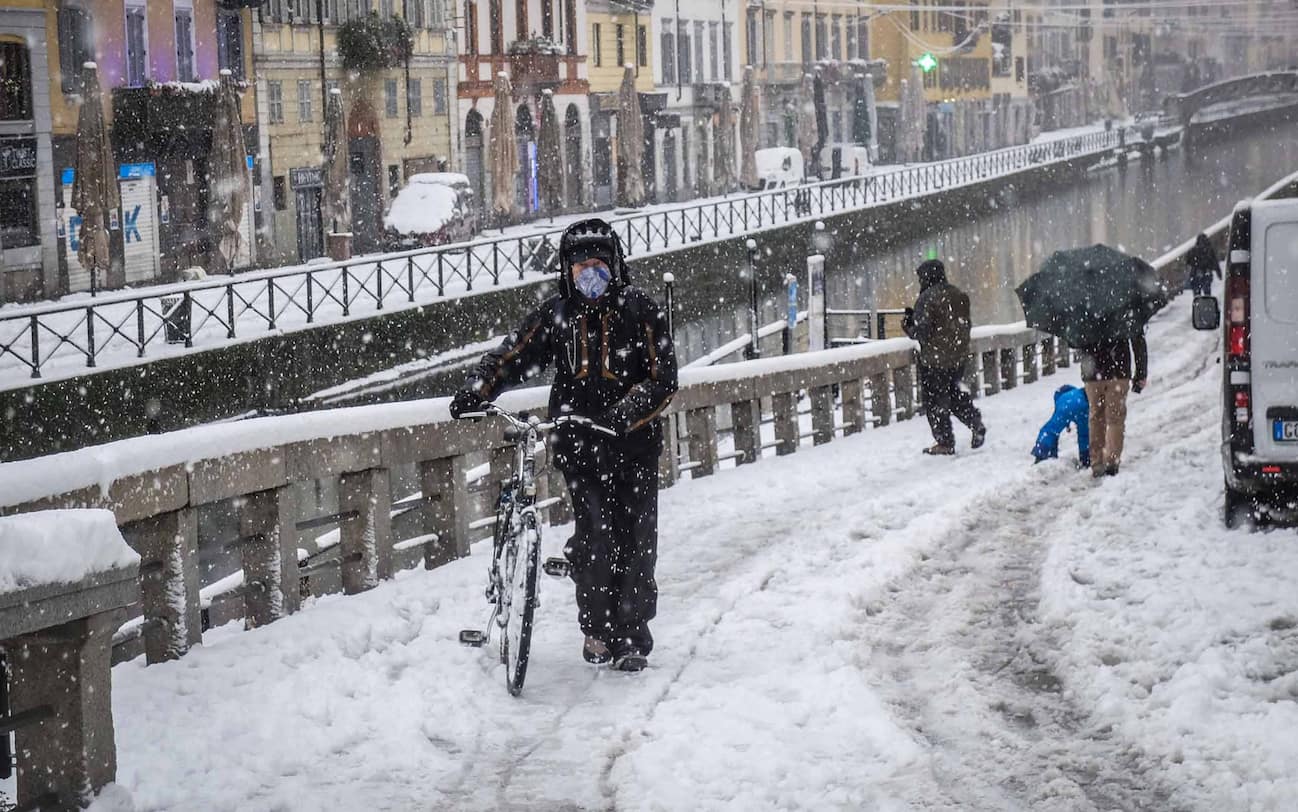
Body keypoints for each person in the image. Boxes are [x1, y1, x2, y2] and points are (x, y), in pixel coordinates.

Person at [449, 218, 678, 672]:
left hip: (633, 448)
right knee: (595, 535)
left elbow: (663, 379)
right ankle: (596, 629)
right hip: (580, 446)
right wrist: (480, 387)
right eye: (580, 267)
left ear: (615, 266)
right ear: (566, 272)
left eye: (598, 265)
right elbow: (513, 356)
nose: (589, 275)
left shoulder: (641, 312)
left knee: (636, 539)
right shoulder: (558, 316)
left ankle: (632, 634)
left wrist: (625, 414)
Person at [901, 259, 987, 455]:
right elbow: (960, 325)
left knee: (935, 402)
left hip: (935, 360)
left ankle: (944, 442)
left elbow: (921, 332)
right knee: (954, 395)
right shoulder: (958, 295)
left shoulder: (926, 298)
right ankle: (975, 422)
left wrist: (908, 325)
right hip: (958, 357)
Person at [1079, 329, 1148, 478]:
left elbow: (1076, 340)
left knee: (1096, 417)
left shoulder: (1084, 309)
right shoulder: (1123, 308)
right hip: (1119, 370)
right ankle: (1111, 461)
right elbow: (1138, 340)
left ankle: (1097, 462)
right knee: (1115, 419)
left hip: (1092, 371)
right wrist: (1141, 372)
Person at [1031, 385, 1090, 468]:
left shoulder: (1063, 398)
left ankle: (1042, 454)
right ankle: (1086, 457)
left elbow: (1050, 430)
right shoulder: (1075, 393)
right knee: (1084, 433)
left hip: (1070, 404)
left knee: (1051, 430)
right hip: (1084, 404)